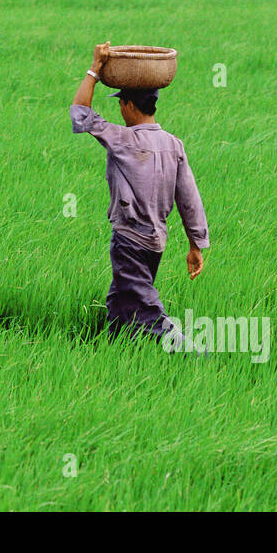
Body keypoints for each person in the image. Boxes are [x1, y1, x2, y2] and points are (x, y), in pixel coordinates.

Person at [69, 42, 210, 349]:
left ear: (130, 105)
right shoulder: (174, 145)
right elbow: (189, 198)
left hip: (130, 240)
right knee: (120, 306)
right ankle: (108, 353)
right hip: (156, 241)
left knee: (145, 311)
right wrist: (196, 244)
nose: (120, 110)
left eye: (121, 104)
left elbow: (80, 114)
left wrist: (94, 68)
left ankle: (195, 352)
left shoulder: (121, 140)